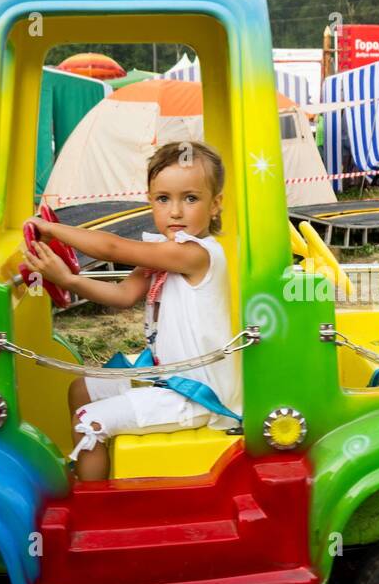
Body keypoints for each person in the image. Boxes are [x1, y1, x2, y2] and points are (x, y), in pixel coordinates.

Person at [21, 140, 242, 482]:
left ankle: (94, 510)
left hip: (195, 395)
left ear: (216, 205)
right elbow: (123, 295)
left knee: (87, 419)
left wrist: (50, 228)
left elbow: (113, 246)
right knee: (82, 388)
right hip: (167, 379)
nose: (176, 212)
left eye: (191, 198)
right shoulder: (166, 252)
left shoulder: (198, 254)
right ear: (151, 201)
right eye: (163, 199)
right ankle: (89, 467)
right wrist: (67, 279)